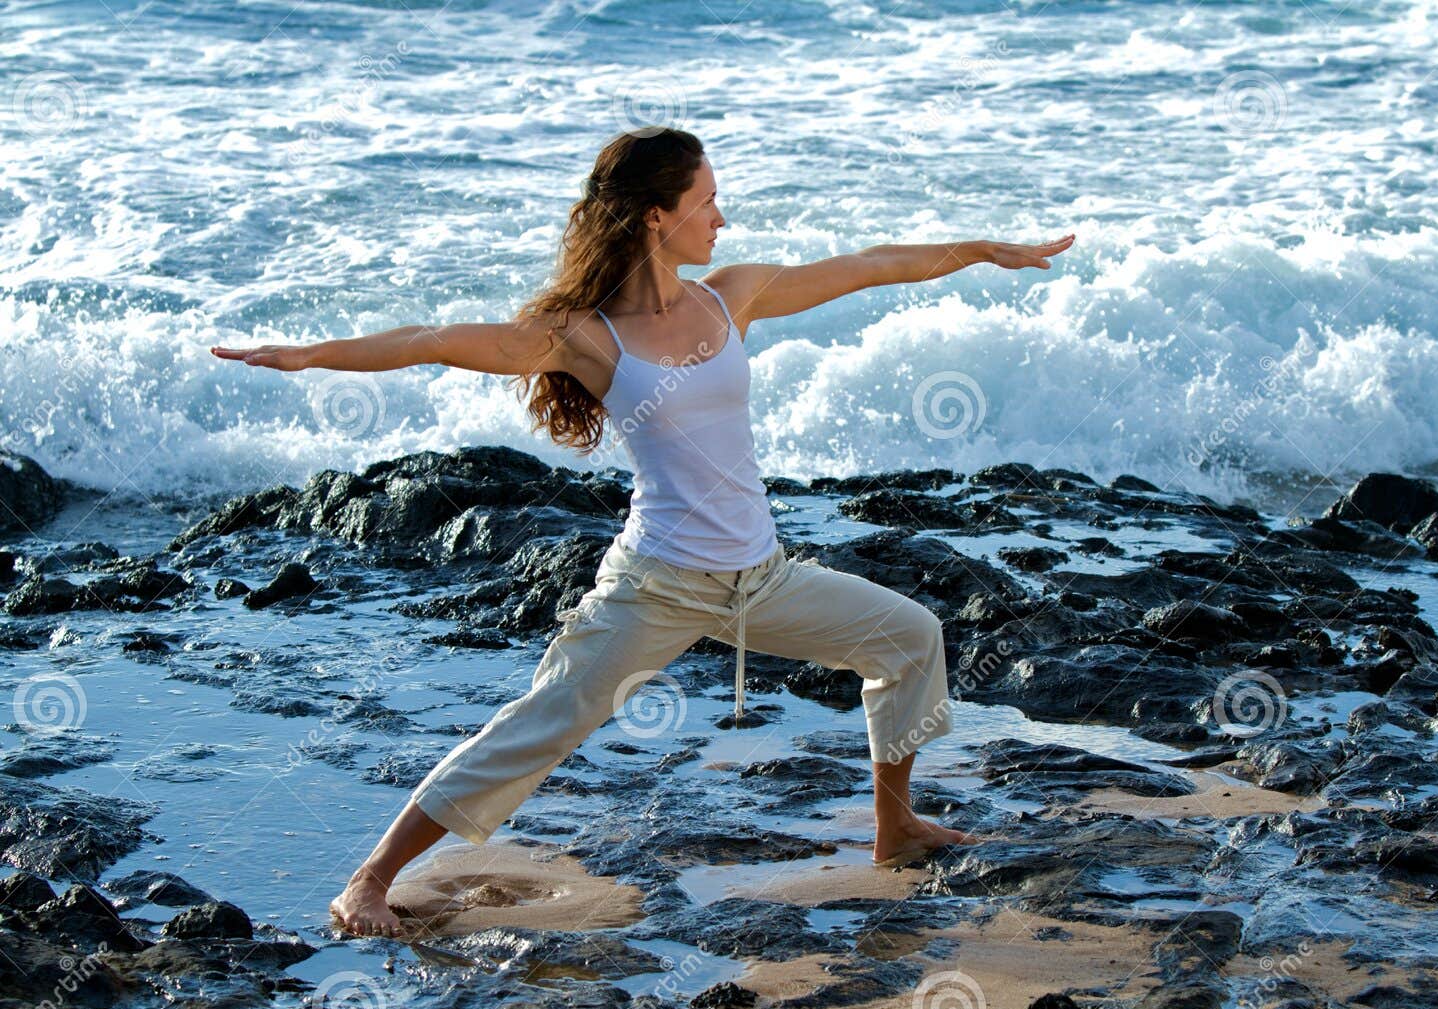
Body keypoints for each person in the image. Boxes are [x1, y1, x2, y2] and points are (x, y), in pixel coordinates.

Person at [212, 126, 1075, 937]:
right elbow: (435, 340)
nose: (722, 217)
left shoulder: (732, 295)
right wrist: (306, 355)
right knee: (539, 727)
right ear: (656, 216)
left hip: (761, 577)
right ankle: (368, 876)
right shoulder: (589, 338)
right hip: (656, 586)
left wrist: (982, 250)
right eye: (707, 201)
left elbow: (869, 265)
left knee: (911, 636)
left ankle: (897, 827)